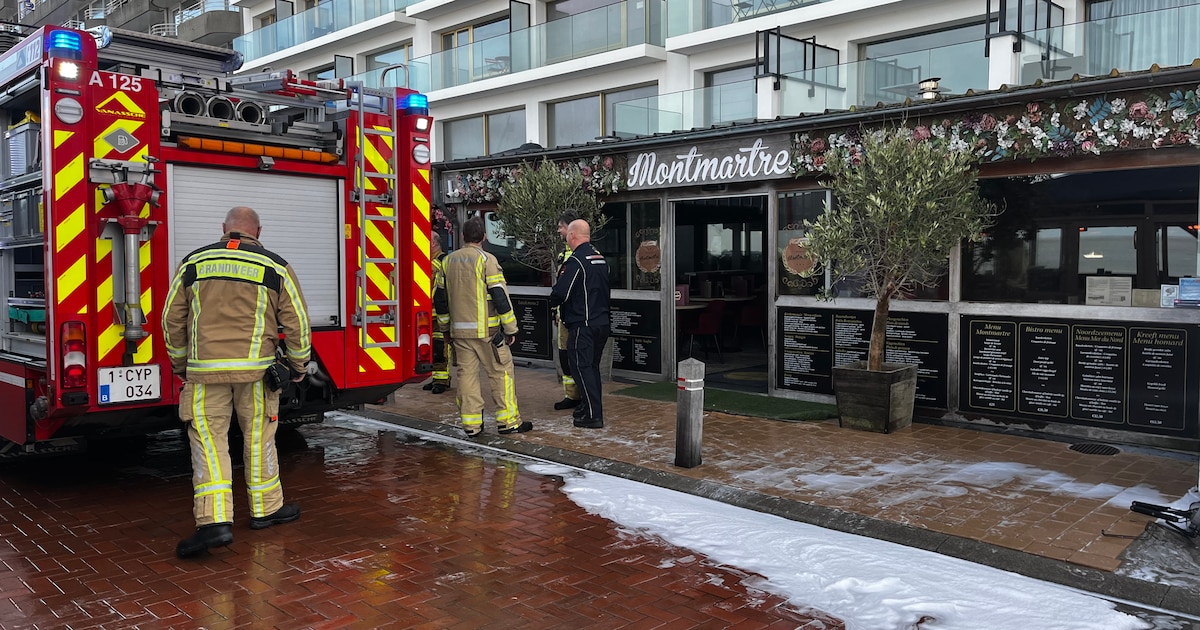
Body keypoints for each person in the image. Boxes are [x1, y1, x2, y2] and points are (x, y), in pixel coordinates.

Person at [163, 206, 309, 559]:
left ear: (224, 229)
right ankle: (266, 510)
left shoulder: (193, 263)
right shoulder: (275, 266)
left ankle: (214, 521)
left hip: (204, 374)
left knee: (209, 442)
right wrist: (298, 364)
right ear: (258, 231)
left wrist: (181, 364)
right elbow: (297, 321)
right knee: (259, 437)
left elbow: (172, 319)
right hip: (256, 373)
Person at [443, 216, 532, 437]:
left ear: (462, 236)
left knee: (466, 377)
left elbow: (440, 300)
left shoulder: (448, 262)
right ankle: (508, 423)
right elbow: (499, 295)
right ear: (484, 237)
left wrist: (445, 329)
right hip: (488, 334)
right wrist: (511, 328)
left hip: (459, 333)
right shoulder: (487, 260)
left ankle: (471, 425)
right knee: (501, 374)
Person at [549, 219, 610, 429]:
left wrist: (552, 302)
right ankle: (589, 407)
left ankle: (592, 415)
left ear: (572, 235)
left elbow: (561, 292)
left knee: (581, 368)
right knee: (591, 369)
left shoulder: (577, 261)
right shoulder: (600, 258)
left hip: (582, 324)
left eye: (567, 234)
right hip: (601, 322)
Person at [552, 210, 582, 411]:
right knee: (565, 356)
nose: (558, 230)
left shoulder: (581, 254)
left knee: (578, 357)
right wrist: (556, 310)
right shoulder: (563, 254)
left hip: (577, 317)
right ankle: (571, 395)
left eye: (561, 227)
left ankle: (582, 396)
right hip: (563, 316)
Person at [426, 232, 452, 394]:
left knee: (441, 347)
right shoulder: (429, 261)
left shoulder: (442, 261)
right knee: (433, 348)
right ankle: (436, 378)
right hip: (429, 314)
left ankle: (442, 380)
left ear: (434, 243)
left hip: (439, 315)